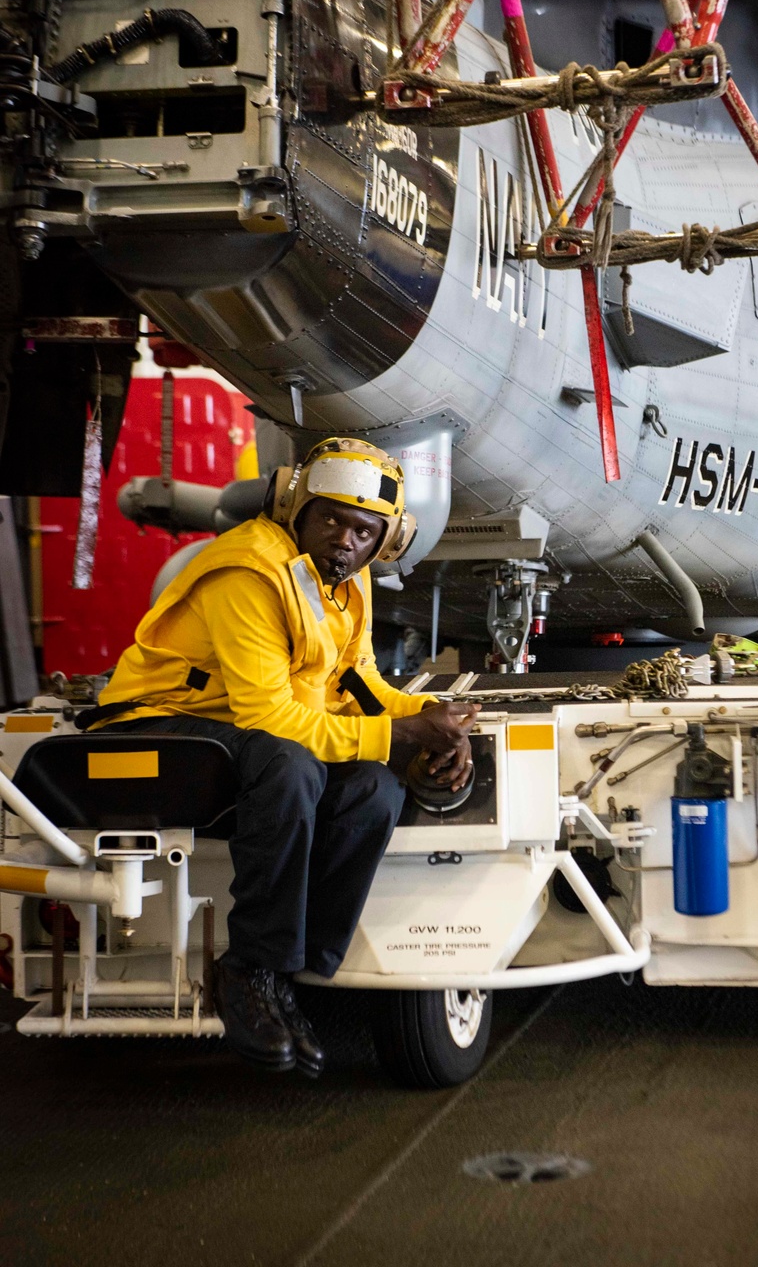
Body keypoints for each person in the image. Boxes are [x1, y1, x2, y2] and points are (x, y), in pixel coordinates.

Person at [89, 438, 479, 1076]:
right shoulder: (250, 570)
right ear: (297, 509)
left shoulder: (346, 580)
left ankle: (295, 979)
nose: (344, 540)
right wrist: (401, 735)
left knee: (373, 789)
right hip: (152, 729)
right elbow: (269, 720)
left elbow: (358, 684)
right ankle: (250, 969)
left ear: (384, 541)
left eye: (363, 531)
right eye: (330, 519)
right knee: (290, 763)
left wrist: (432, 720)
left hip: (232, 738)